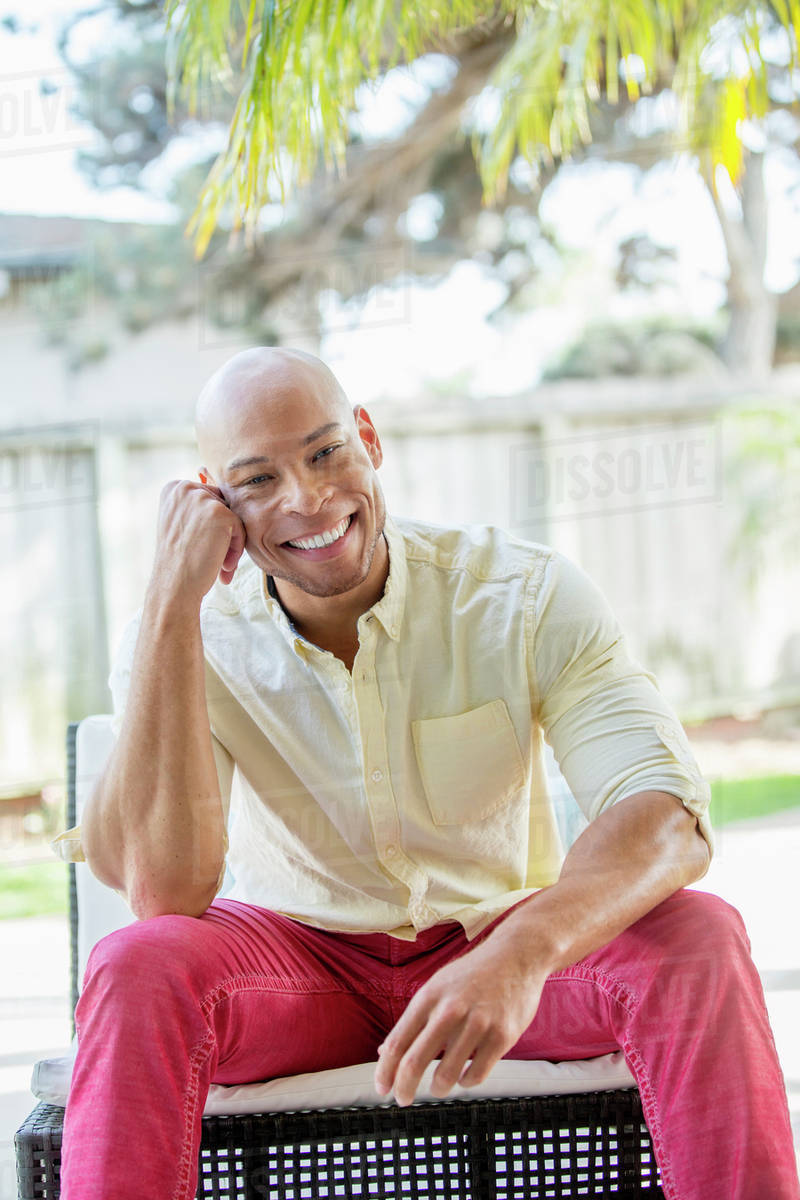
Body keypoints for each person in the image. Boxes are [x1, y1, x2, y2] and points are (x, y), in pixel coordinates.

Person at [56, 347, 799, 1199]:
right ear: (213, 501)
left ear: (368, 439)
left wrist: (521, 953)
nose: (306, 499)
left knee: (699, 935)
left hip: (496, 940)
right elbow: (163, 889)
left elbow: (664, 816)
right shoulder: (186, 631)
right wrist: (168, 602)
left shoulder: (521, 593)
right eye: (257, 480)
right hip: (297, 970)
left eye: (326, 451)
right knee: (134, 962)